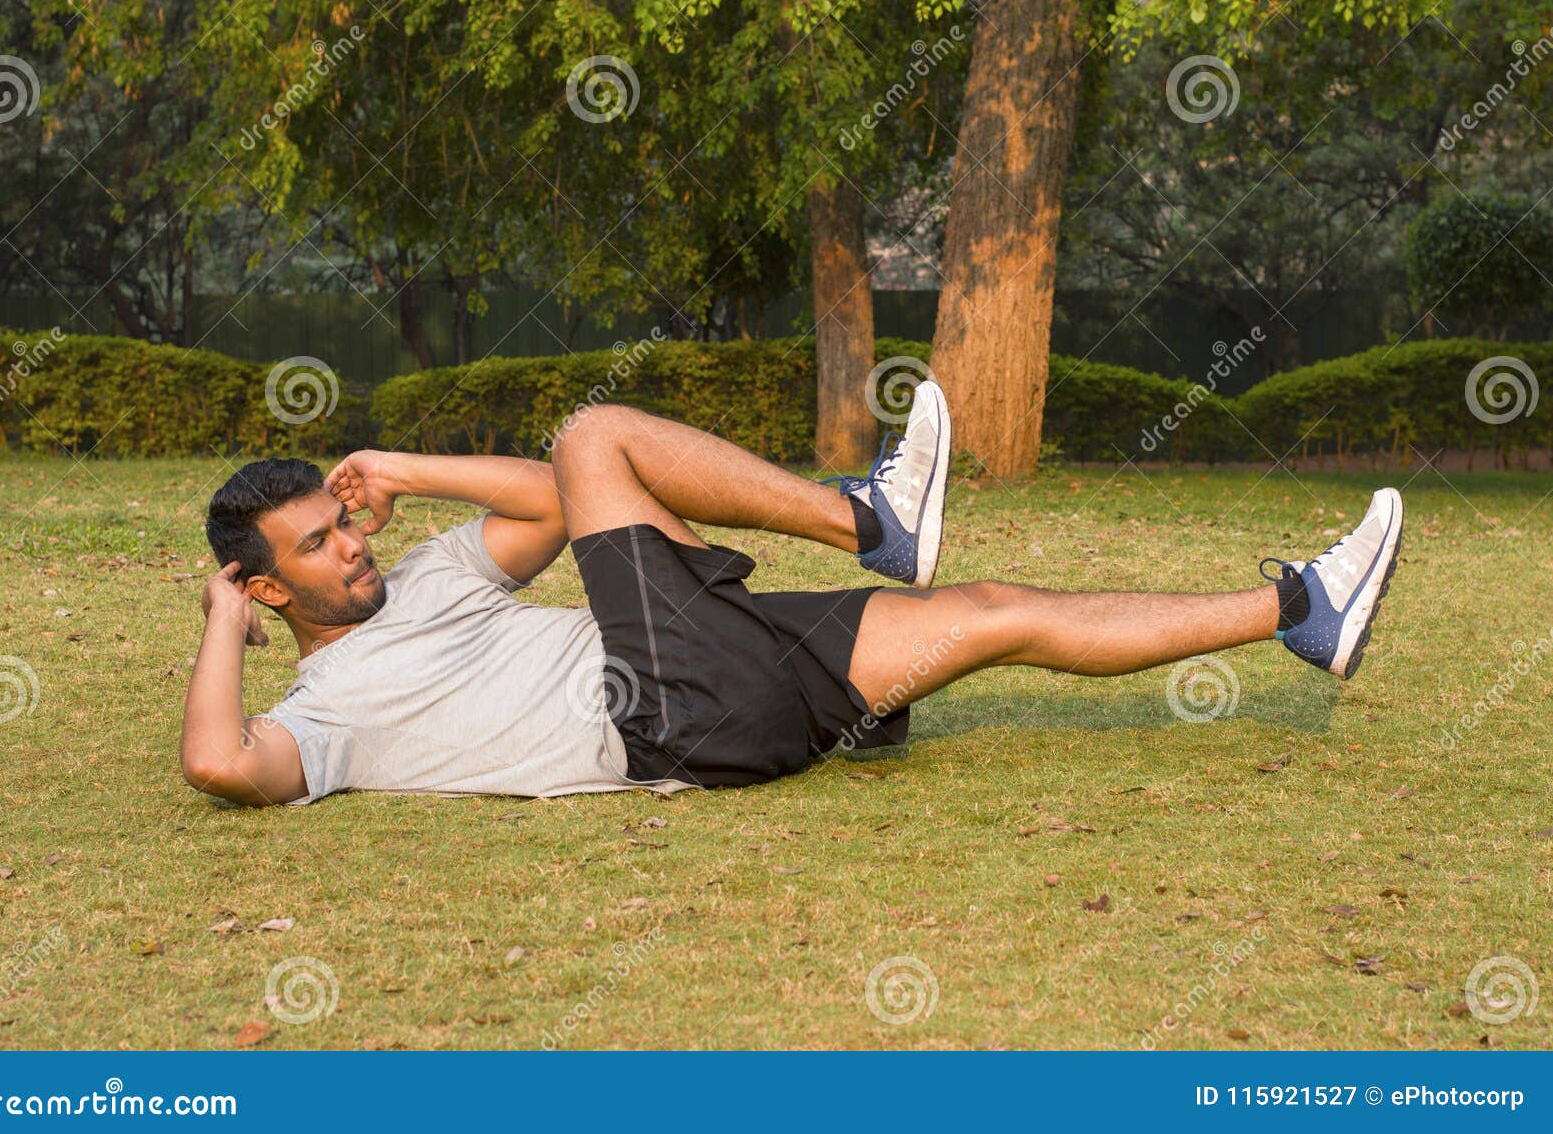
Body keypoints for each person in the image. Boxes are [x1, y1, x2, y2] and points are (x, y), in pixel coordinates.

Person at [182, 382, 1403, 807]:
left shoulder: (432, 574)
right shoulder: (329, 704)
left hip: (726, 675)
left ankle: (1299, 612)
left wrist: (399, 466)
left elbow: (554, 503)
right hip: (668, 709)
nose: (350, 546)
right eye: (318, 544)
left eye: (342, 520)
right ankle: (865, 519)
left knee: (990, 608)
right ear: (259, 583)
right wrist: (226, 629)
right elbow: (223, 765)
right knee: (598, 426)